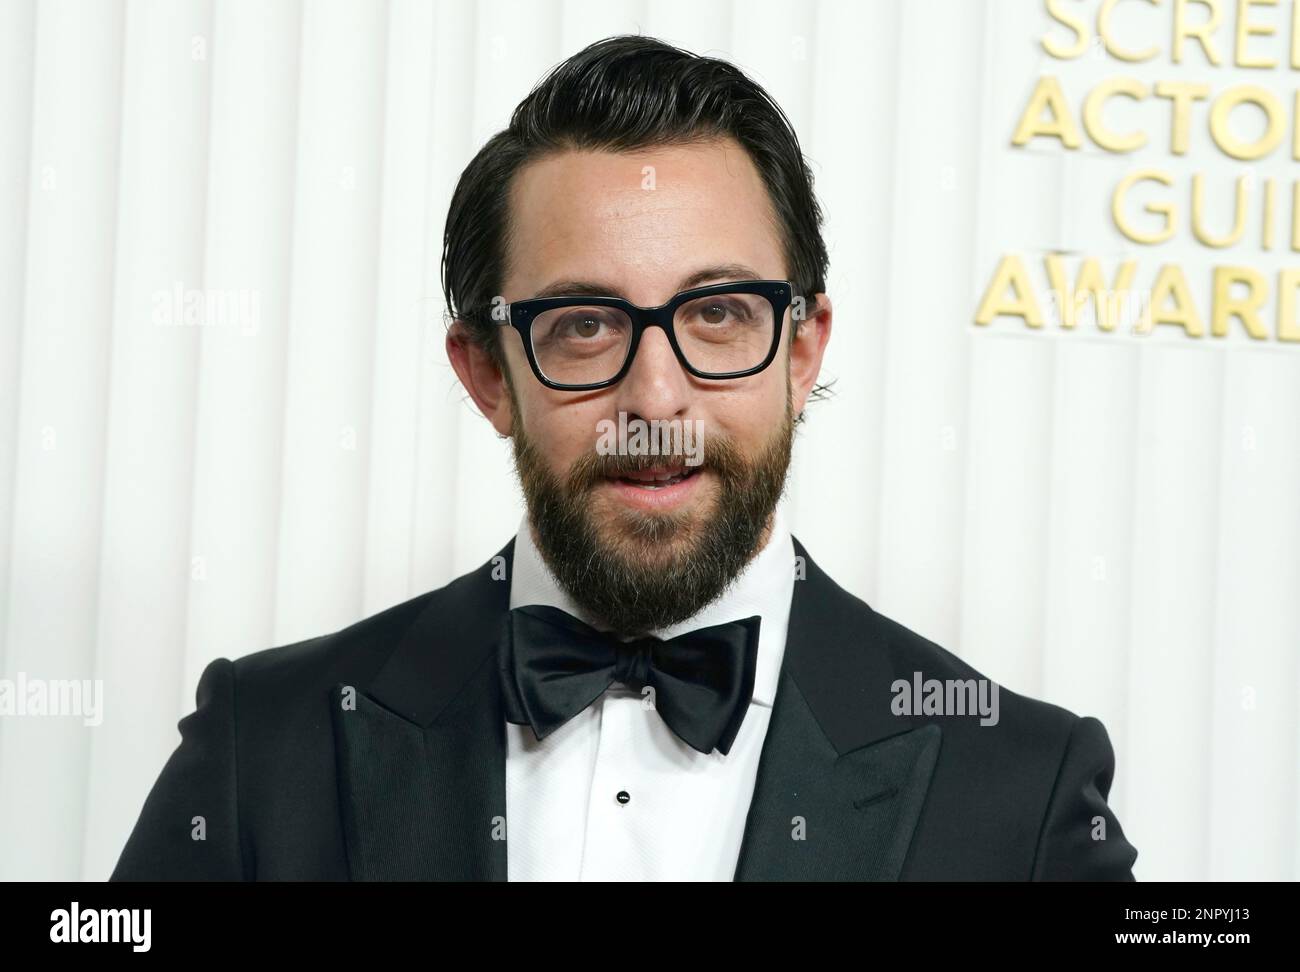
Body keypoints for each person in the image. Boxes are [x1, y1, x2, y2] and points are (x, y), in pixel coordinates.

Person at [111, 34, 1138, 881]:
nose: (655, 398)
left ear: (803, 347)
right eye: (585, 326)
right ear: (484, 373)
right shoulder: (266, 747)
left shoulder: (1020, 787)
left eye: (721, 313)